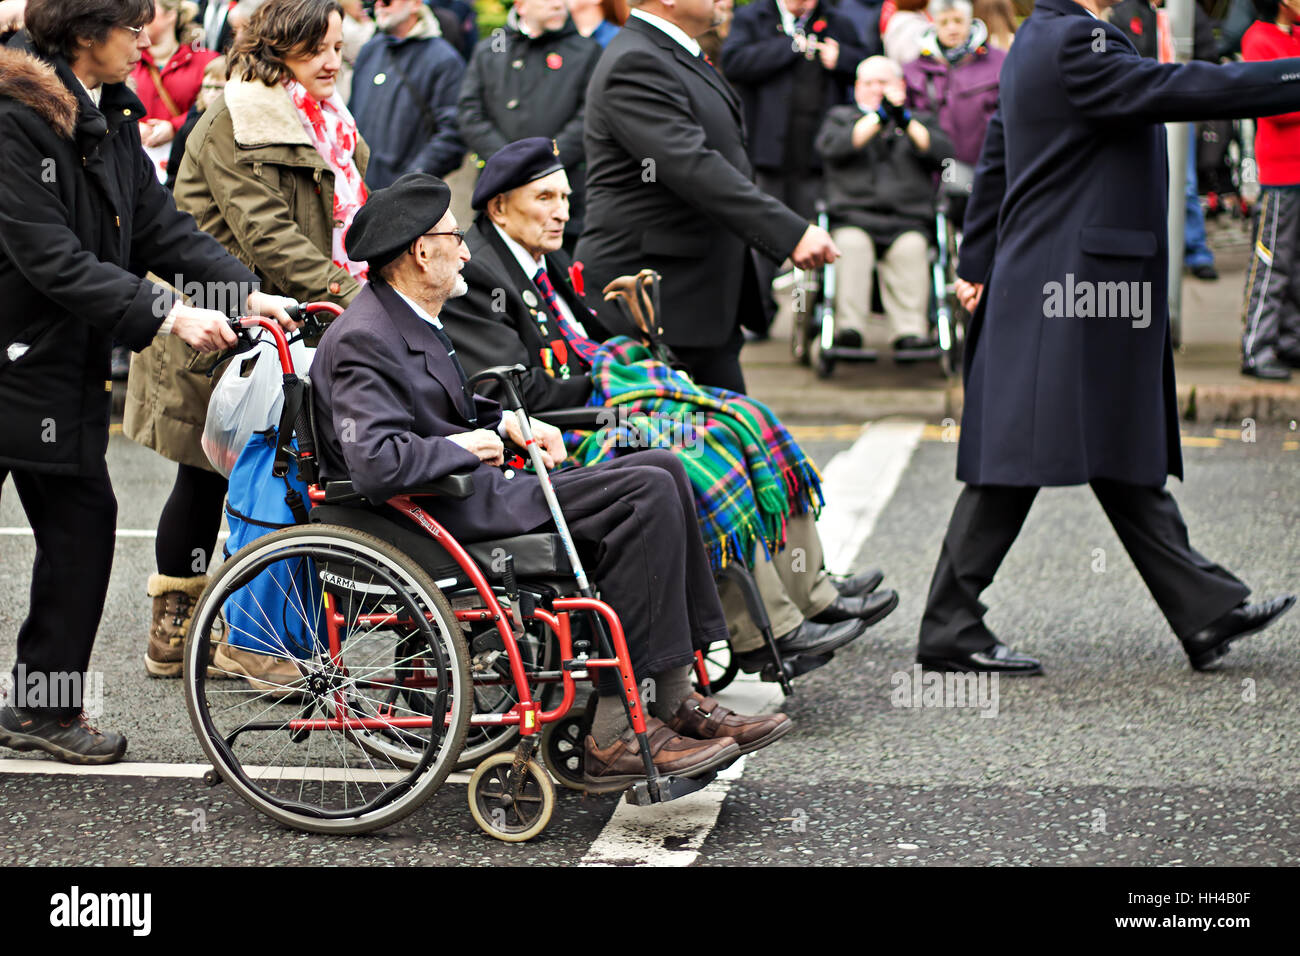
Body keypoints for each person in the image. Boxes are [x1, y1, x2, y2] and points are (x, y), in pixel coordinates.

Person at [313, 172, 793, 790]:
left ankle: (675, 695)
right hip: (429, 517)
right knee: (643, 490)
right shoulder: (365, 337)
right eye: (454, 240)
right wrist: (466, 445)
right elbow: (376, 461)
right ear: (418, 252)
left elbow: (444, 411)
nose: (465, 251)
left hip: (464, 493)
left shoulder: (409, 316)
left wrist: (511, 423)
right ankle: (618, 732)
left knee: (664, 467)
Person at [917, 0, 1297, 676]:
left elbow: (1001, 151)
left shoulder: (1040, 37)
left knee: (1117, 447)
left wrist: (975, 261)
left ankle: (1204, 607)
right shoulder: (1076, 41)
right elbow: (1175, 89)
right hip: (1070, 282)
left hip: (1063, 277)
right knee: (1018, 456)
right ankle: (948, 622)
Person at [439, 139, 898, 675]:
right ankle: (765, 632)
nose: (563, 211)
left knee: (745, 419)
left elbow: (587, 339)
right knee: (693, 452)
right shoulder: (482, 275)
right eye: (545, 197)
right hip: (555, 433)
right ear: (498, 206)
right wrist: (614, 377)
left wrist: (634, 359)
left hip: (597, 407)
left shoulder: (546, 255)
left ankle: (811, 590)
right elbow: (514, 393)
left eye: (565, 196)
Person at [0, 0, 294, 763]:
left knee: (82, 528)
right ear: (84, 35)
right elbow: (50, 257)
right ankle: (46, 710)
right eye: (134, 27)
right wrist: (168, 316)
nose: (149, 39)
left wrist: (244, 292)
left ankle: (43, 709)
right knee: (82, 523)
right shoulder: (10, 118)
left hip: (52, 369)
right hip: (13, 360)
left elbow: (160, 227)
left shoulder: (110, 111)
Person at [125, 0, 367, 688]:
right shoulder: (239, 117)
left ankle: (246, 626)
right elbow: (269, 237)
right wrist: (359, 301)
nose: (331, 61)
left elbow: (347, 218)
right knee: (201, 477)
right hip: (215, 325)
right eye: (316, 48)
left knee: (268, 473)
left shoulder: (327, 118)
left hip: (279, 325)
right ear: (278, 46)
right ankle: (176, 628)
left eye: (338, 47)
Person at [575, 0, 841, 394]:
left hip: (694, 301)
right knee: (667, 449)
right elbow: (692, 166)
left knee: (725, 442)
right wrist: (790, 232)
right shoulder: (636, 61)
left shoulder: (673, 52)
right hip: (653, 302)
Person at [721, 0, 869, 336]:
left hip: (816, 156)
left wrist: (841, 59)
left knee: (815, 238)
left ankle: (813, 318)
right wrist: (790, 47)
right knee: (761, 236)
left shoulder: (836, 21)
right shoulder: (753, 17)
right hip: (767, 150)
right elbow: (734, 62)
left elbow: (870, 63)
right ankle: (757, 316)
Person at [817, 56, 952, 356]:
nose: (877, 89)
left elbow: (943, 156)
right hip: (853, 217)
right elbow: (834, 148)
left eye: (884, 82)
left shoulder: (920, 120)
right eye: (869, 83)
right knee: (851, 247)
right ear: (856, 87)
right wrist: (878, 117)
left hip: (907, 220)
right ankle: (848, 330)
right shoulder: (841, 116)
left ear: (901, 86)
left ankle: (910, 333)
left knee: (911, 250)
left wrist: (904, 120)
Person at [457, 0, 601, 247]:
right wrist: (509, 165)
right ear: (521, 5)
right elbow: (469, 112)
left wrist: (542, 164)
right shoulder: (490, 50)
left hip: (565, 205)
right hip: (500, 197)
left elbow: (590, 117)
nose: (558, 5)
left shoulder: (587, 52)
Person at [1109, 0, 1221, 281]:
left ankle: (1195, 250)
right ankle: (1146, 247)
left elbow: (1207, 53)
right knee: (1139, 180)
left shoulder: (1186, 10)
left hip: (1181, 106)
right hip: (1144, 108)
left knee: (1185, 182)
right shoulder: (1125, 13)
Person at [1239, 0, 1300, 381]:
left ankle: (1290, 340)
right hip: (1279, 173)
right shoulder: (1257, 39)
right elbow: (1273, 103)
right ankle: (1255, 347)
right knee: (1272, 263)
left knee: (1296, 267)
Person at [348, 0, 464, 189]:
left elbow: (453, 134)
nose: (379, 5)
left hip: (406, 199)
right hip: (358, 192)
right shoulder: (370, 50)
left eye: (387, 0)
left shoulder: (444, 60)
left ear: (415, 4)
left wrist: (410, 182)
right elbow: (350, 119)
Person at [902, 0, 1005, 171]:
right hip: (932, 170)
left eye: (958, 21)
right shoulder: (915, 69)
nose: (952, 28)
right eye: (944, 22)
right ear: (934, 23)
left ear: (970, 20)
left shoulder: (998, 62)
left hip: (987, 166)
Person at [132, 0, 217, 157]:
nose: (140, 13)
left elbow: (213, 108)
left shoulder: (204, 61)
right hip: (136, 157)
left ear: (171, 14)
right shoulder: (128, 59)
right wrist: (132, 127)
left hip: (187, 157)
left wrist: (174, 127)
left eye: (149, 7)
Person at [164, 53, 225, 191]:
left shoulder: (242, 128)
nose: (211, 94)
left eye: (218, 88)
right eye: (207, 88)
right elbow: (174, 175)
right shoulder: (190, 128)